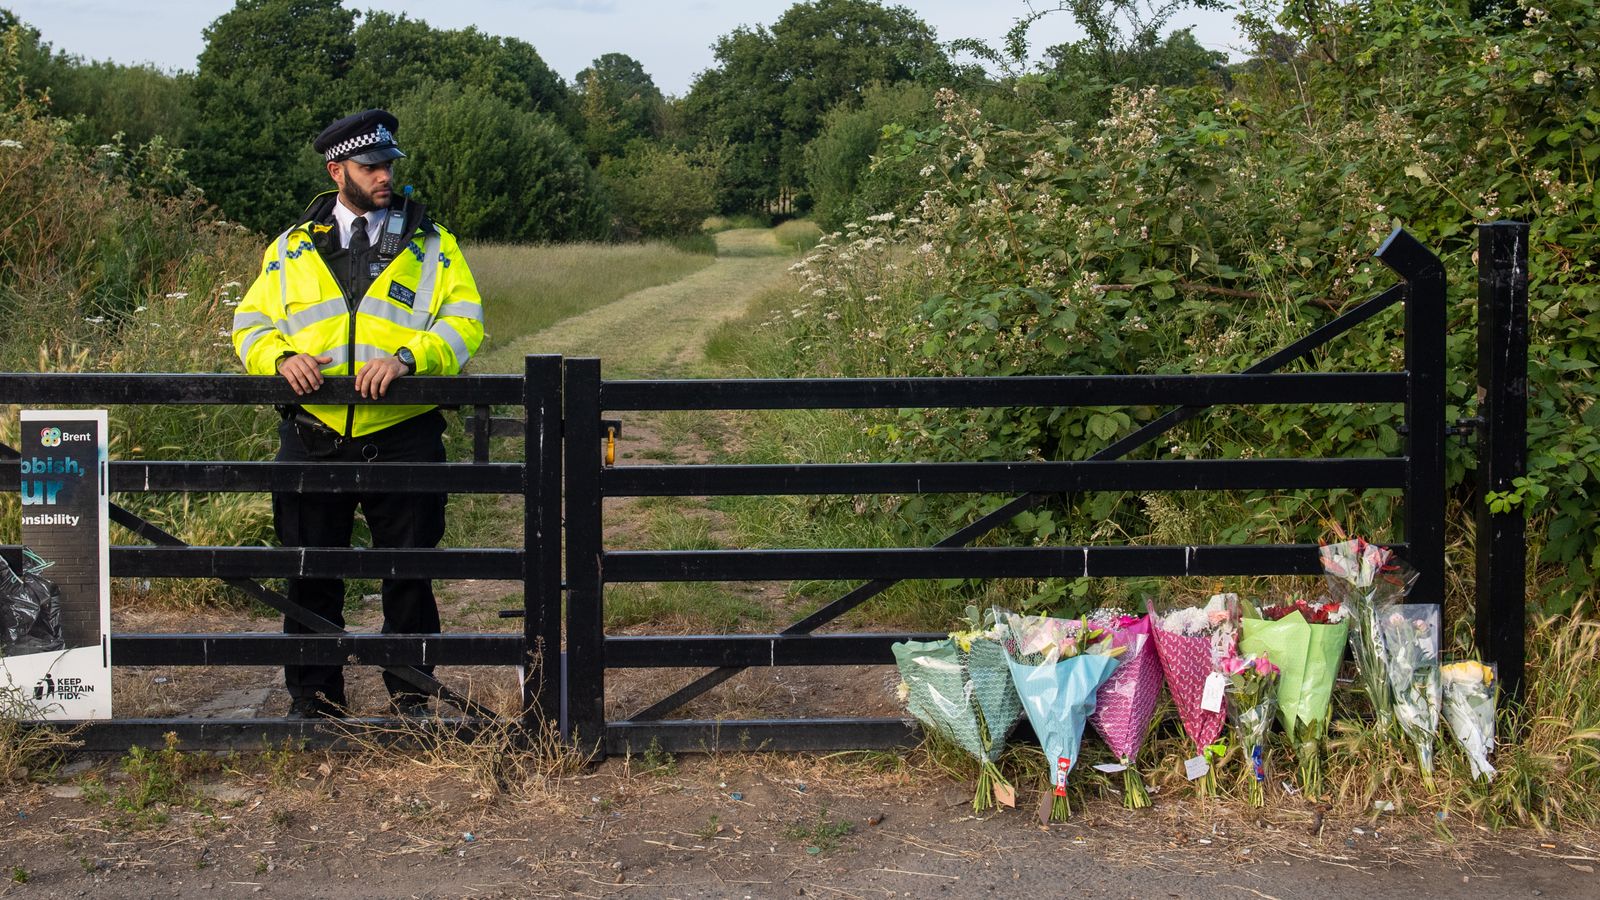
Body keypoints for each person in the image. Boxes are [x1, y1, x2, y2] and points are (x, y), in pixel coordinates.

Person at [232, 109, 485, 719]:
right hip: (313, 436)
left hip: (403, 434)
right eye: (371, 166)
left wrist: (407, 357)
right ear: (336, 169)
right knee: (311, 574)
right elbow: (249, 324)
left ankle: (412, 702)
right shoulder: (290, 247)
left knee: (408, 575)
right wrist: (280, 358)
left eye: (389, 165)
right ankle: (315, 705)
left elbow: (465, 321)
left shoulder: (432, 243)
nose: (384, 176)